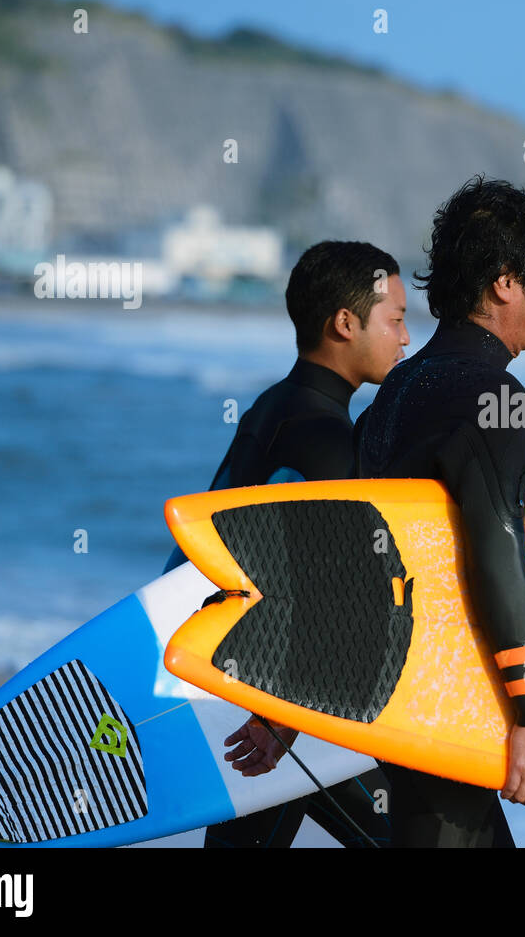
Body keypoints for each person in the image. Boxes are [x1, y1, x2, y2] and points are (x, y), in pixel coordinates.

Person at [164, 240, 411, 848]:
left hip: (228, 670)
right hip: (271, 699)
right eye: (397, 319)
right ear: (345, 324)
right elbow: (340, 588)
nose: (407, 339)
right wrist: (283, 717)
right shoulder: (325, 439)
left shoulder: (275, 409)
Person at [354, 176, 525, 847]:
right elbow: (496, 544)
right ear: (506, 282)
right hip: (446, 708)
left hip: (385, 704)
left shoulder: (393, 394)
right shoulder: (495, 399)